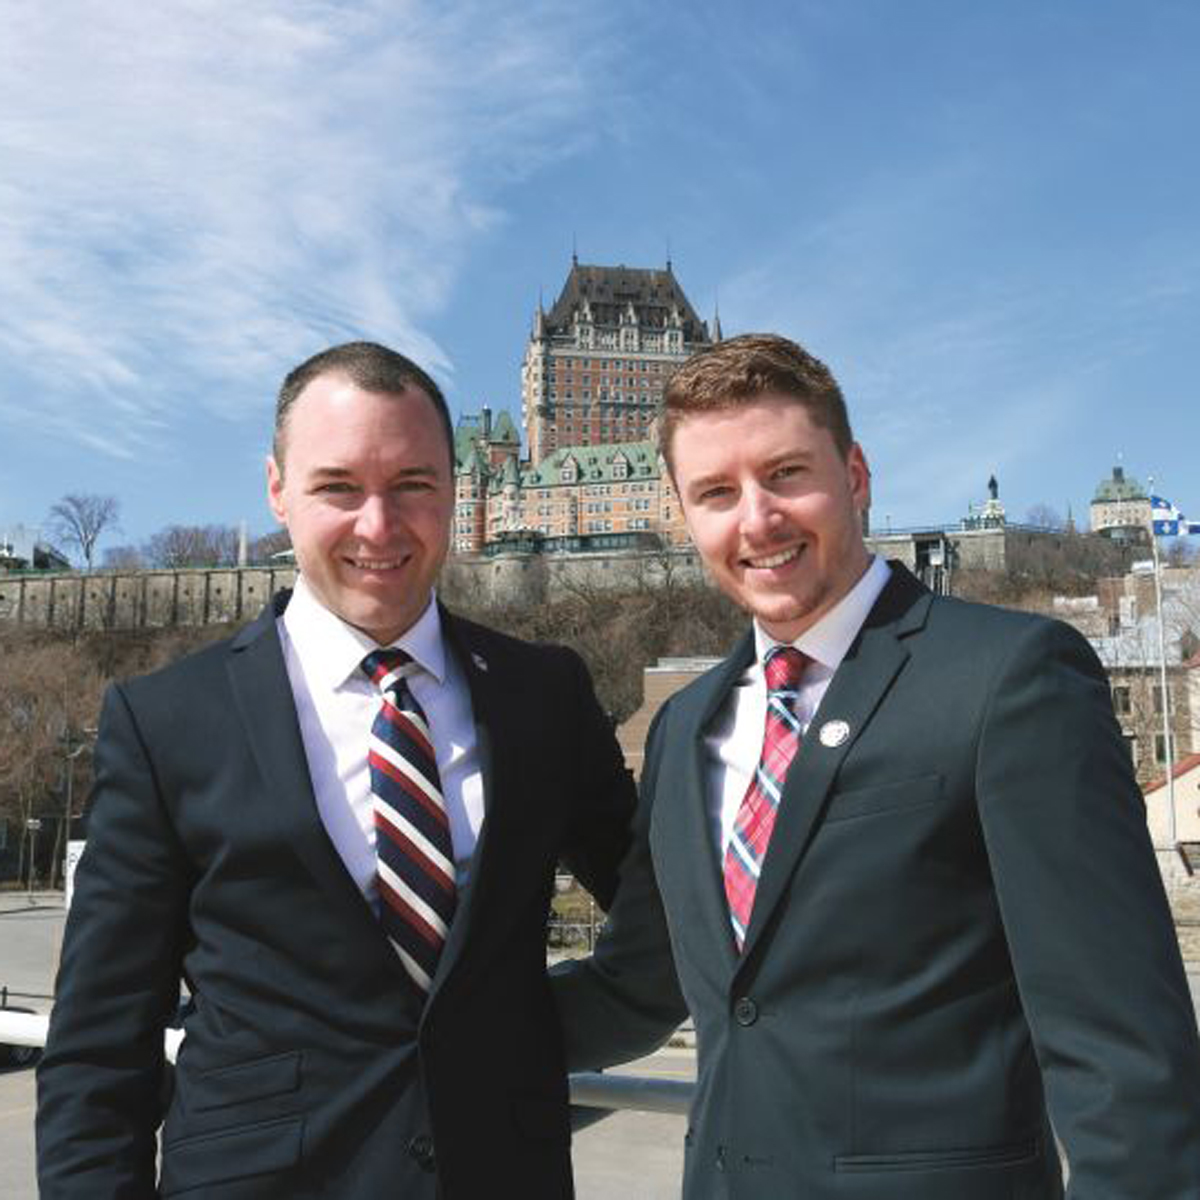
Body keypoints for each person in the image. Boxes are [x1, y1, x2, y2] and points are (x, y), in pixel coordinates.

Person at [552, 333, 1200, 1198]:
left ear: (855, 476)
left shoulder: (1008, 678)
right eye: (716, 492)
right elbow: (638, 986)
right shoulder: (682, 726)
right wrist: (418, 1028)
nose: (758, 519)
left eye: (786, 473)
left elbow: (1124, 1058)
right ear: (683, 515)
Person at [37, 342, 636, 1198]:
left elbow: (669, 905)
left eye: (413, 484)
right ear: (277, 489)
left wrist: (562, 1027)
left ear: (455, 487)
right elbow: (100, 1045)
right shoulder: (166, 721)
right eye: (338, 487)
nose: (378, 526)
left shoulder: (545, 695)